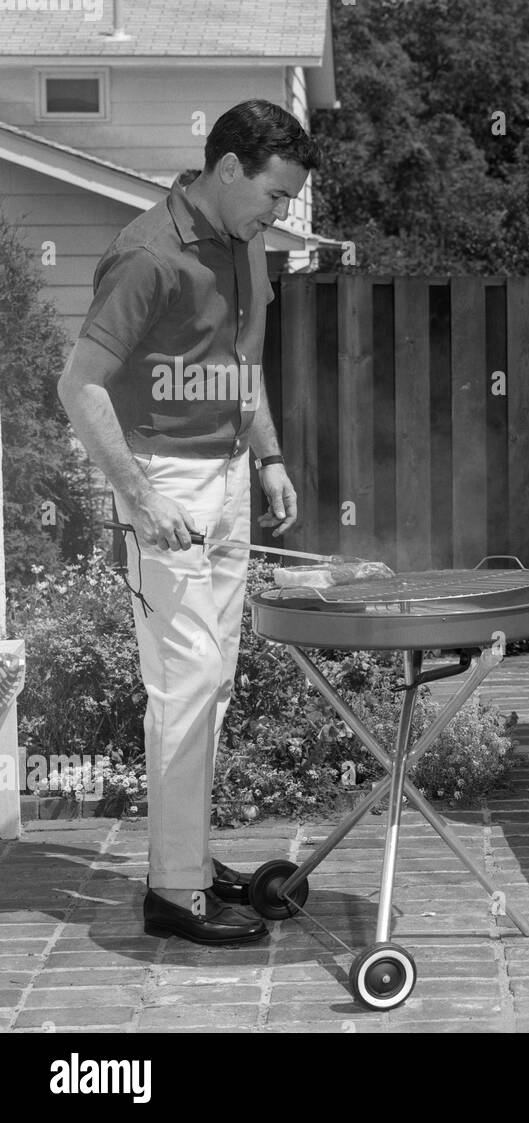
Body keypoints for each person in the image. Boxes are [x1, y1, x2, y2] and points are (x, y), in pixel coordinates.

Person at [58, 100, 321, 945]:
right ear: (229, 168)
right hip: (162, 481)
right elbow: (80, 386)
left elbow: (241, 363)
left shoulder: (245, 247)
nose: (279, 216)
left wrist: (269, 454)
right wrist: (141, 495)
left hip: (228, 475)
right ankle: (173, 893)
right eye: (274, 197)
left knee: (214, 681)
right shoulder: (147, 254)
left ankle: (191, 860)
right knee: (184, 680)